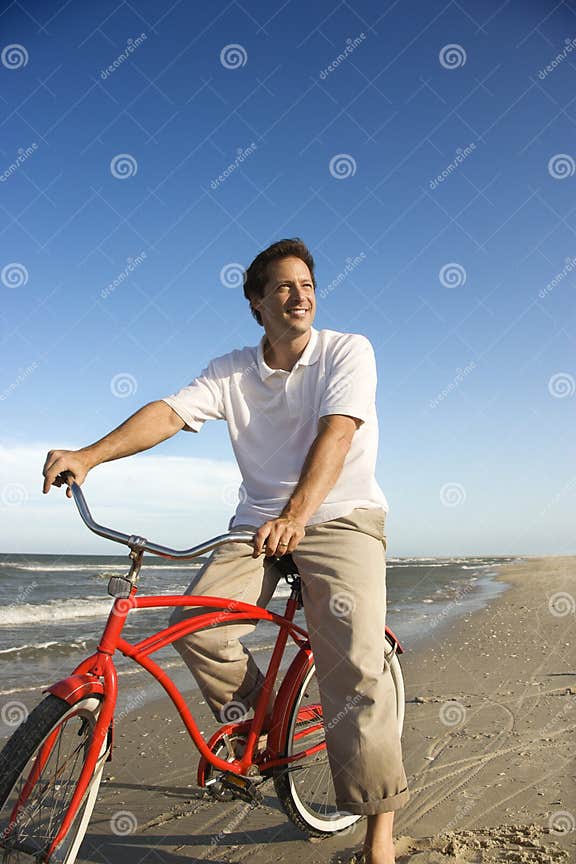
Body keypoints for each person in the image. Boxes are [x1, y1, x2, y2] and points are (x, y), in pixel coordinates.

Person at [42, 238, 409, 864]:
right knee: (194, 623)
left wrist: (298, 515)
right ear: (256, 303)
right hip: (258, 525)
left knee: (353, 660)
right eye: (284, 287)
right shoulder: (231, 370)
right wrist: (88, 456)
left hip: (341, 518)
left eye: (308, 284)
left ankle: (379, 835)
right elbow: (168, 412)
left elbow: (338, 432)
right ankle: (267, 728)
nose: (300, 295)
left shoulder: (349, 351)